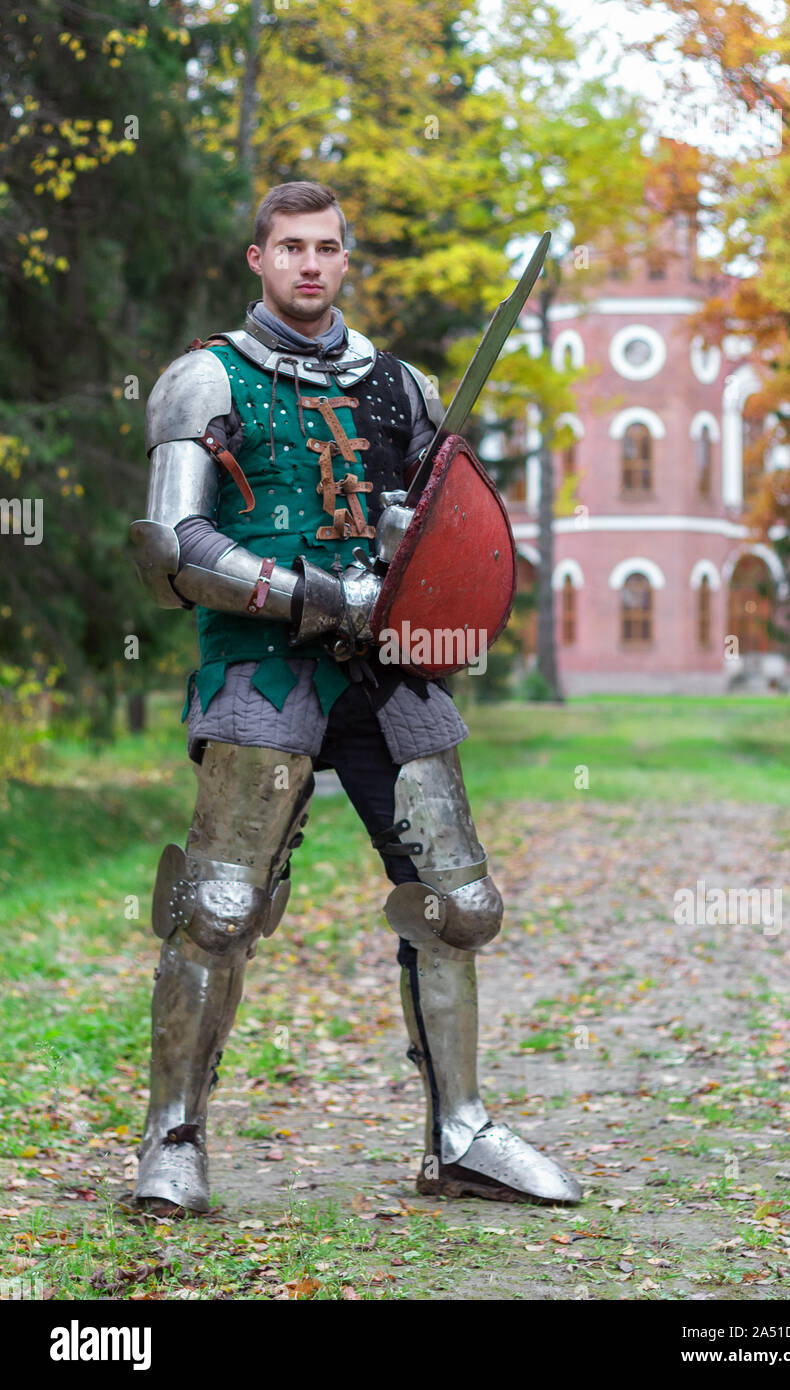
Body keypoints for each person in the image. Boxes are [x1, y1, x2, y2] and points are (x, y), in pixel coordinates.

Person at [129, 179, 581, 1214]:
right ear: (257, 259)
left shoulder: (402, 386)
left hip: (389, 671)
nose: (308, 264)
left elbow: (446, 519)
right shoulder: (204, 381)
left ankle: (459, 1133)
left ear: (343, 258)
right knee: (220, 907)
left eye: (325, 247)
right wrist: (316, 591)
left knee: (456, 906)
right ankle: (174, 1138)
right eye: (288, 246)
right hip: (264, 664)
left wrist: (406, 558)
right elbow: (169, 548)